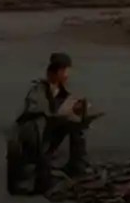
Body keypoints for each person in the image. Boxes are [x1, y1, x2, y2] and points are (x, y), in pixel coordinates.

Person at [7, 52, 94, 195]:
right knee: (36, 125)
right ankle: (39, 172)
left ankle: (77, 168)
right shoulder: (38, 89)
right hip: (35, 133)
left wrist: (77, 110)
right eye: (65, 71)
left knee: (79, 126)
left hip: (52, 128)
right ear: (57, 72)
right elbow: (36, 111)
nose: (67, 75)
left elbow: (65, 107)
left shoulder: (62, 91)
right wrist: (57, 116)